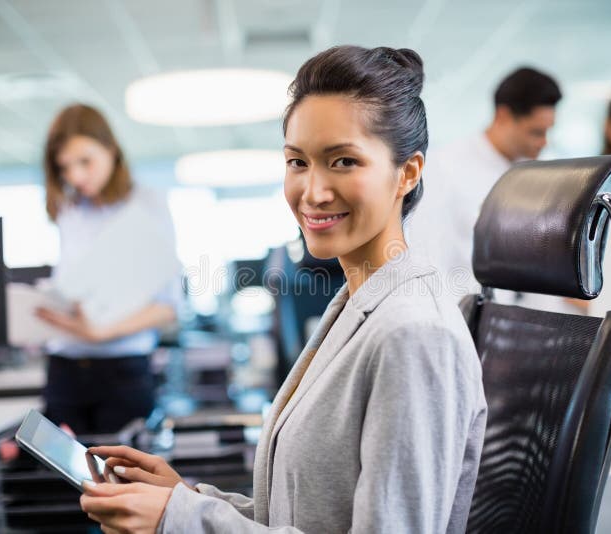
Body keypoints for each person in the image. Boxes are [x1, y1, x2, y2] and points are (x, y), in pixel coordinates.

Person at [79, 46, 487, 533]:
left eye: (343, 161)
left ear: (408, 173)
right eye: (298, 162)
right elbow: (307, 515)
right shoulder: (362, 302)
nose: (312, 192)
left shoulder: (414, 333)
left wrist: (181, 523)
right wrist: (186, 497)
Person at [37, 104, 180, 434]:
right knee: (56, 481)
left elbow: (168, 307)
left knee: (121, 480)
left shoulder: (147, 204)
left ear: (112, 151)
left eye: (85, 161)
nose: (76, 176)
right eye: (65, 168)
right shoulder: (70, 210)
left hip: (121, 372)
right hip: (64, 369)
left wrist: (100, 332)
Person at [406, 66, 562, 298]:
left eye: (548, 132)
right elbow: (429, 258)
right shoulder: (446, 168)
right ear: (503, 116)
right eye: (536, 132)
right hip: (465, 316)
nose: (544, 142)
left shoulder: (538, 174)